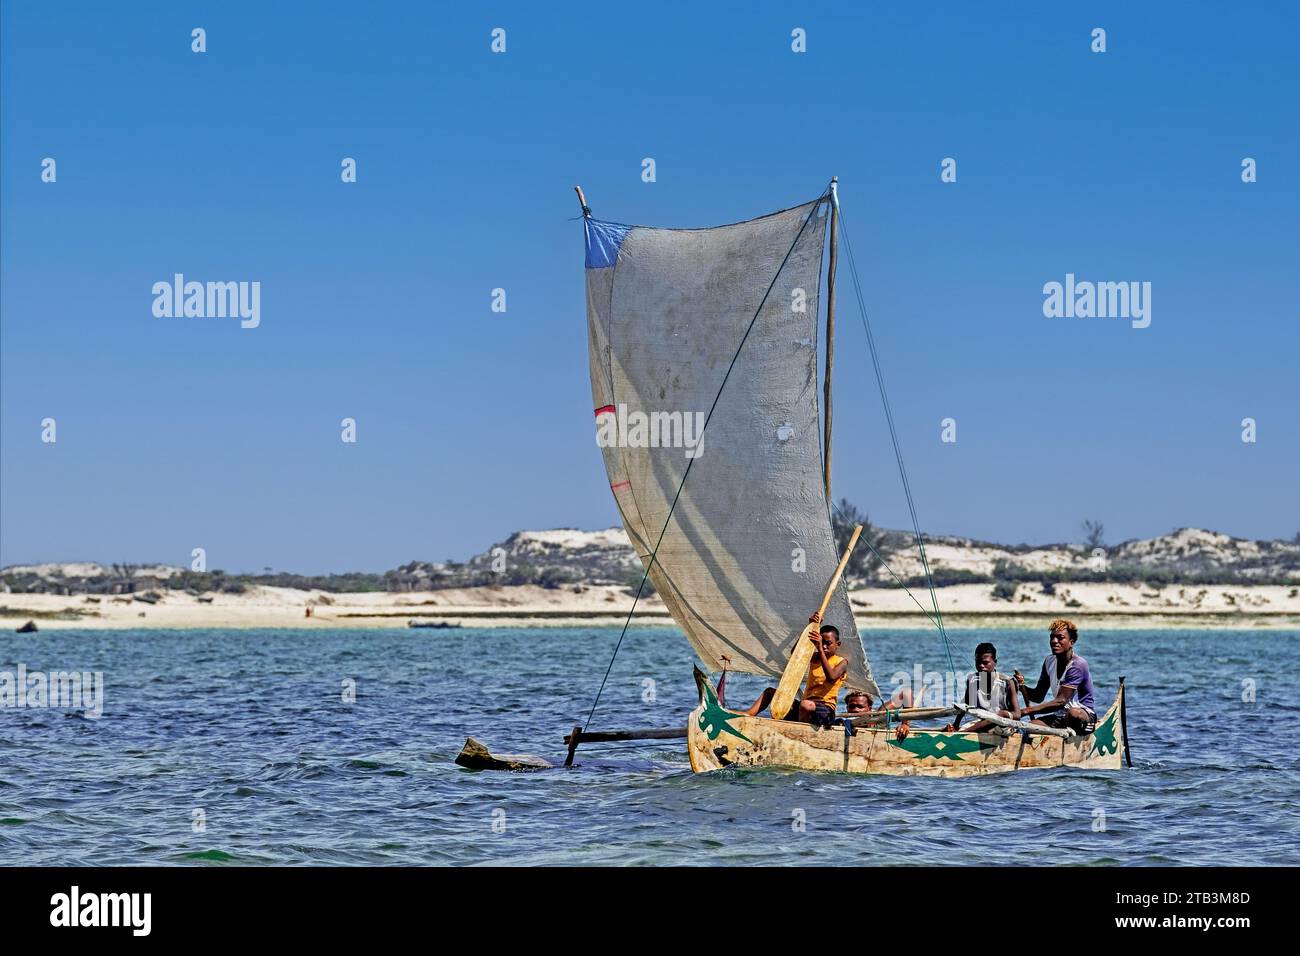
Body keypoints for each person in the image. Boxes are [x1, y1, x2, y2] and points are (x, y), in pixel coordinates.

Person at [744, 612, 846, 729]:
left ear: (838, 644)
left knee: (805, 705)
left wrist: (819, 649)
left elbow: (831, 677)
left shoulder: (842, 662)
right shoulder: (815, 657)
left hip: (825, 711)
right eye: (821, 643)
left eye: (828, 643)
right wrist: (810, 626)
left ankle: (800, 730)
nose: (824, 646)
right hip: (804, 709)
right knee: (770, 692)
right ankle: (748, 715)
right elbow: (796, 654)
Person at [1014, 618, 1096, 734]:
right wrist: (1020, 687)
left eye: (1060, 638)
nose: (1054, 641)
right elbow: (1038, 696)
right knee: (1026, 728)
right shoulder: (1049, 661)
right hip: (1060, 716)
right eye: (1052, 637)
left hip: (1083, 717)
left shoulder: (1077, 665)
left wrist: (1026, 711)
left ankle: (1075, 740)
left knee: (1073, 714)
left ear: (1071, 642)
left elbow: (1060, 701)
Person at [943, 642, 1020, 733]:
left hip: (1003, 725)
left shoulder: (1007, 682)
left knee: (995, 722)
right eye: (978, 662)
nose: (981, 666)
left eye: (985, 663)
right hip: (981, 724)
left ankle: (963, 733)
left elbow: (1017, 714)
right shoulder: (972, 680)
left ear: (995, 662)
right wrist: (956, 724)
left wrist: (1002, 714)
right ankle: (961, 732)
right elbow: (965, 705)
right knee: (958, 728)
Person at [843, 687, 914, 740]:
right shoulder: (844, 722)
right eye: (852, 706)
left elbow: (906, 693)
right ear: (847, 708)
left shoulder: (880, 714)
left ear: (869, 709)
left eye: (860, 707)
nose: (855, 710)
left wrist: (905, 724)